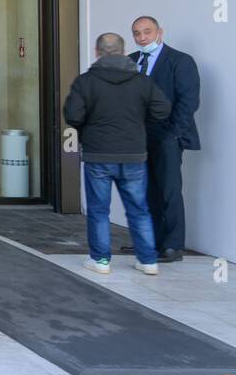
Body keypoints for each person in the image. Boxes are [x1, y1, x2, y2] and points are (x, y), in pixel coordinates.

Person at [64, 32, 171, 276]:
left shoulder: (86, 82)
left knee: (99, 210)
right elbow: (162, 110)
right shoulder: (142, 82)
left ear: (97, 52)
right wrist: (139, 125)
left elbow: (72, 115)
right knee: (139, 209)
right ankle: (148, 260)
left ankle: (101, 260)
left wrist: (89, 129)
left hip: (98, 155)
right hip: (134, 154)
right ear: (124, 52)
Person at [126, 16, 201, 263]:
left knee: (169, 190)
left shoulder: (180, 61)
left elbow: (188, 101)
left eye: (147, 32)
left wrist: (173, 134)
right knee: (145, 191)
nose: (142, 37)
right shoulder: (130, 62)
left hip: (167, 136)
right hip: (137, 138)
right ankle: (151, 242)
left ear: (159, 32)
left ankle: (173, 246)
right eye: (137, 33)